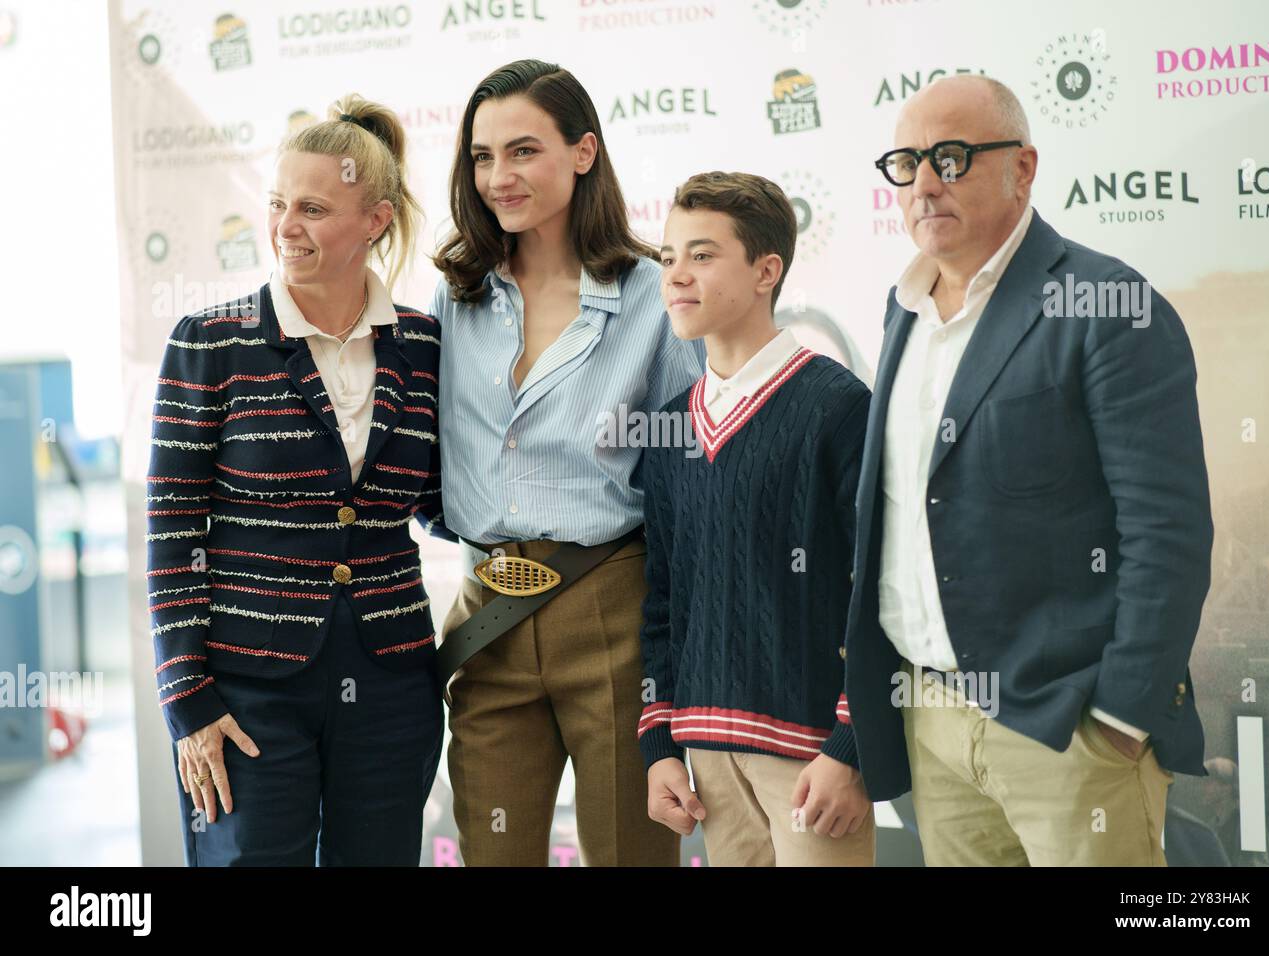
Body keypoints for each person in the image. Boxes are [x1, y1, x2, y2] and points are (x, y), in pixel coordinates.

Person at [843, 74, 1214, 865]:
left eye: (951, 156)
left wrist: (1120, 714)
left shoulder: (1107, 305)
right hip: (932, 723)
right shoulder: (902, 309)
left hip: (1069, 727)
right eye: (906, 162)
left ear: (1025, 167)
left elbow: (1168, 531)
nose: (925, 183)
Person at [147, 94, 443, 865]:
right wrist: (187, 702)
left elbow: (447, 500)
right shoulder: (211, 343)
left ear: (375, 220)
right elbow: (172, 526)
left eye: (313, 208)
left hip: (390, 684)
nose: (285, 226)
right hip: (245, 692)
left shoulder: (425, 345)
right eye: (279, 203)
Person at [428, 59, 702, 866]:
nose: (497, 177)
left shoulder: (657, 292)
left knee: (630, 853)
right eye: (481, 157)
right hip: (489, 610)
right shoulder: (456, 294)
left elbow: (689, 481)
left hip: (614, 606)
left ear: (583, 152)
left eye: (522, 151)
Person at [637, 171, 874, 866]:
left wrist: (851, 748)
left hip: (811, 762)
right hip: (704, 762)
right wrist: (659, 745)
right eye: (669, 256)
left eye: (702, 255)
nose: (676, 275)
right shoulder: (669, 427)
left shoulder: (837, 405)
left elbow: (877, 588)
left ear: (767, 270)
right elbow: (663, 601)